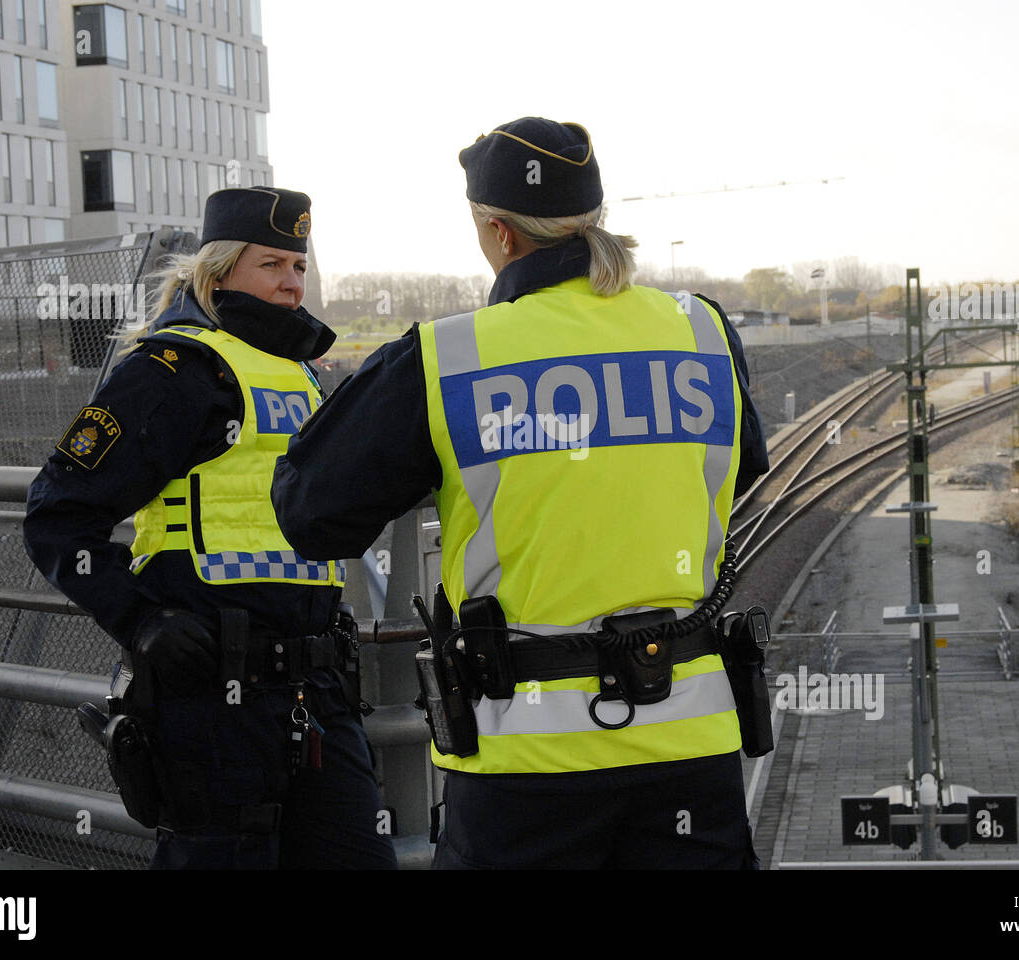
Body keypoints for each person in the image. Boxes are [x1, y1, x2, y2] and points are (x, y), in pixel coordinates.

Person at [271, 119, 769, 869]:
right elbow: (745, 465)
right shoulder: (700, 329)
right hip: (692, 750)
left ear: (498, 234)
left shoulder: (448, 356)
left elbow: (309, 512)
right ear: (593, 219)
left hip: (524, 769)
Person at [23, 187, 397, 870]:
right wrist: (140, 623)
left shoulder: (302, 374)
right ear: (220, 270)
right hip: (211, 705)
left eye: (299, 267)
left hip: (316, 696)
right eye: (273, 265)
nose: (291, 284)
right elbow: (57, 515)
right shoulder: (169, 373)